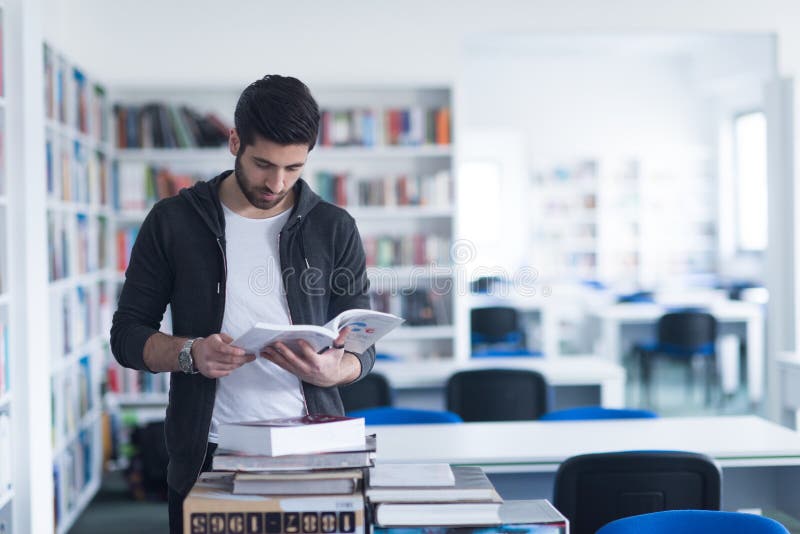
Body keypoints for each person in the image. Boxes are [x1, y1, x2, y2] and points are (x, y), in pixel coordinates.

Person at [110, 75, 375, 533]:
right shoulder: (173, 222)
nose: (277, 182)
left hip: (313, 448)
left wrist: (337, 370)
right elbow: (127, 336)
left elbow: (362, 346)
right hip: (207, 453)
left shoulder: (334, 227)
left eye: (293, 168)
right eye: (263, 164)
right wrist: (190, 354)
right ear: (234, 141)